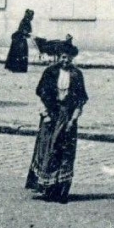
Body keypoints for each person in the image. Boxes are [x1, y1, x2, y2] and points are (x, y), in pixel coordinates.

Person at [25, 39, 87, 203]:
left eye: (68, 57)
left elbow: (80, 100)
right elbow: (42, 95)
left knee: (65, 152)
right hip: (51, 116)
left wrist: (73, 119)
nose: (65, 60)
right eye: (63, 57)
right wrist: (45, 115)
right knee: (48, 150)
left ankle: (61, 190)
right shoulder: (50, 72)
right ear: (58, 57)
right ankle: (47, 188)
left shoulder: (77, 74)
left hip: (67, 118)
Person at [5, 9, 34, 73]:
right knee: (21, 53)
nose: (32, 17)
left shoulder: (25, 20)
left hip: (19, 39)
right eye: (32, 16)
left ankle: (15, 68)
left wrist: (27, 34)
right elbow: (23, 31)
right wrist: (27, 34)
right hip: (20, 40)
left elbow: (25, 31)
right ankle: (19, 69)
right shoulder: (26, 21)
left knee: (17, 53)